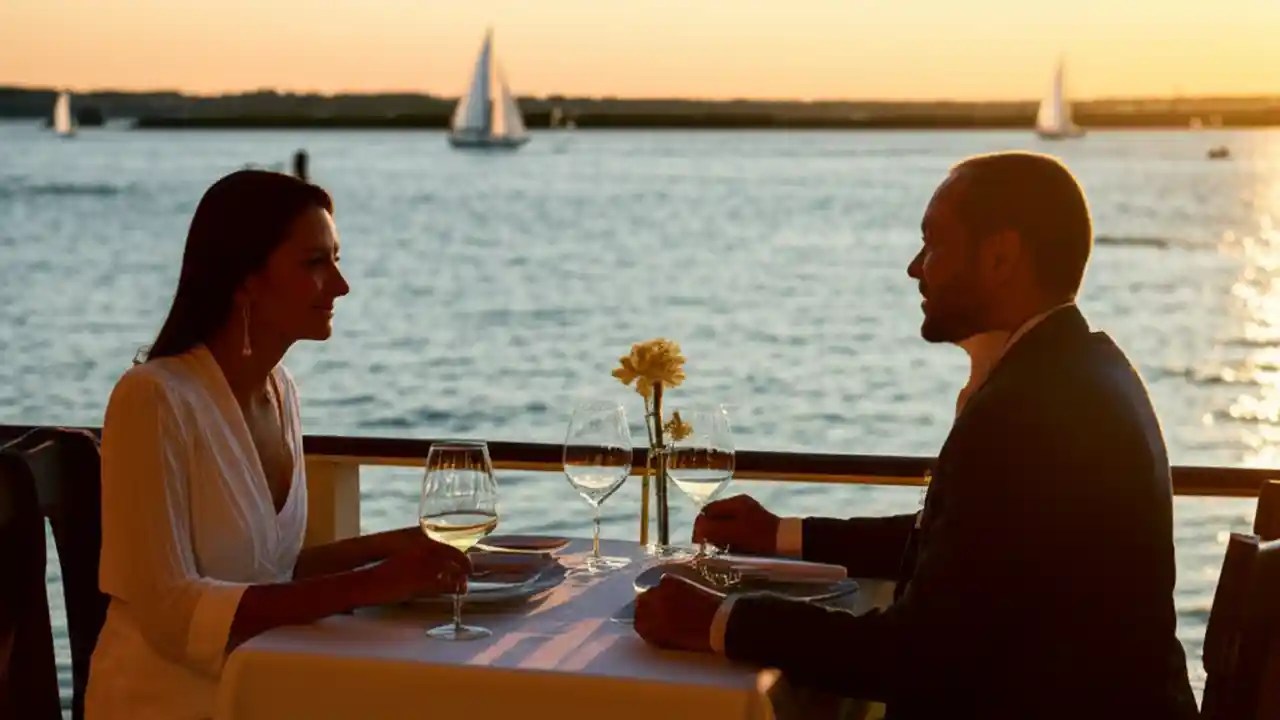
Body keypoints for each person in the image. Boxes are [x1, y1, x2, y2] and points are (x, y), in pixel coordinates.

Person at [634, 152, 1199, 719]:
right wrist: (782, 534)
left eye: (934, 245)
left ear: (1000, 257)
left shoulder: (1024, 414)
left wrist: (720, 621)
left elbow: (920, 655)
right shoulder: (1088, 370)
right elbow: (967, 545)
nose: (914, 267)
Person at [86, 170, 470, 719]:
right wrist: (371, 584)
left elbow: (267, 571)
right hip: (170, 701)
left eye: (335, 260)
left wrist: (389, 549)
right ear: (244, 278)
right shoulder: (154, 399)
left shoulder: (278, 389)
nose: (340, 285)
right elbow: (171, 610)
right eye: (315, 263)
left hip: (267, 685)